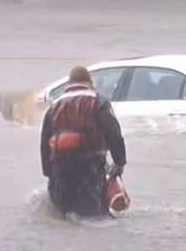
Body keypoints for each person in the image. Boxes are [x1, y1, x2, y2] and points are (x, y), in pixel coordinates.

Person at [40, 66, 127, 218]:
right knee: (94, 217)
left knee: (65, 216)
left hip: (60, 170)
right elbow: (114, 134)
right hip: (90, 167)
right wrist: (119, 162)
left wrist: (49, 174)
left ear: (69, 84)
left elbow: (44, 145)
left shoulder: (53, 109)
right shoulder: (99, 103)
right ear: (90, 82)